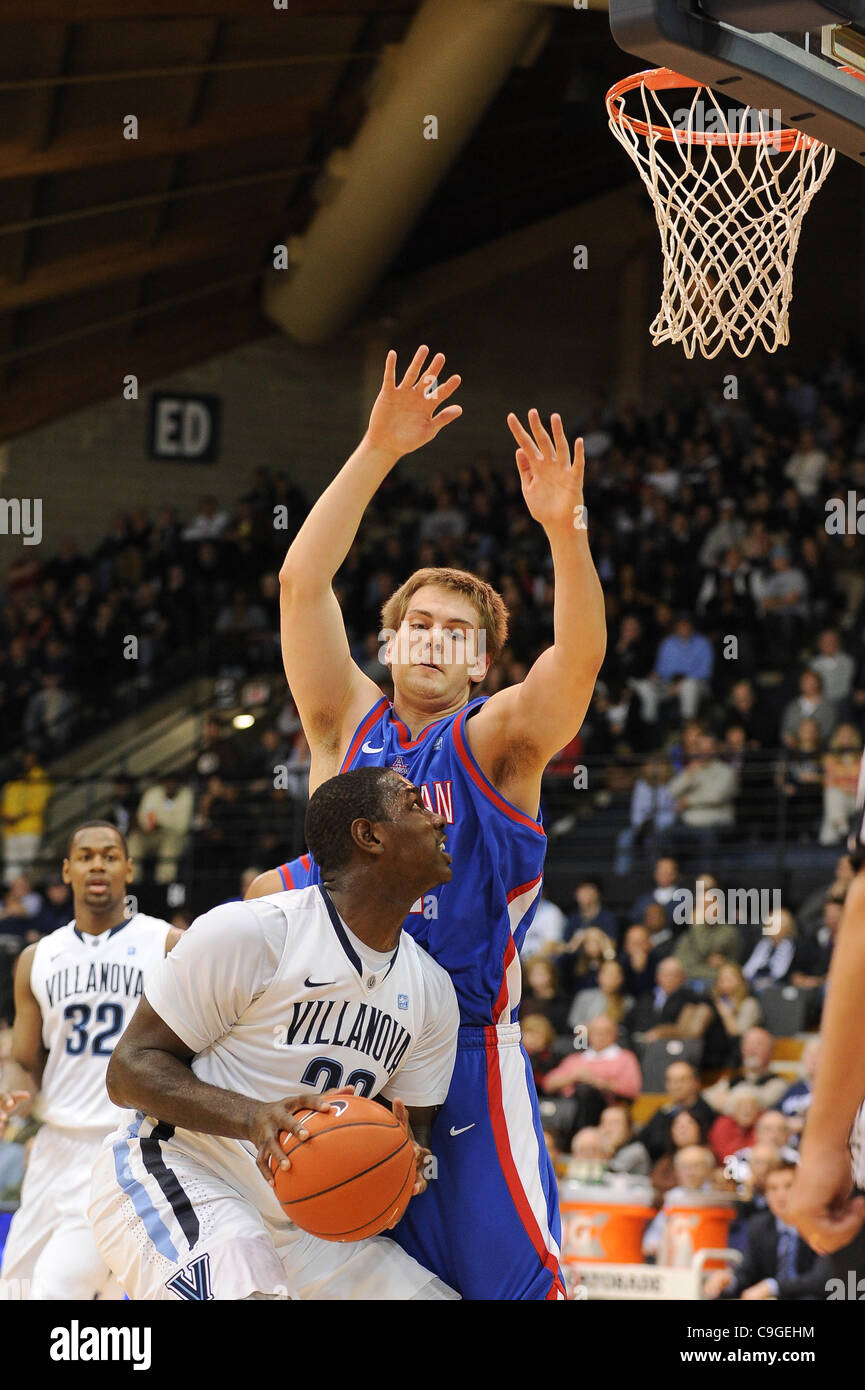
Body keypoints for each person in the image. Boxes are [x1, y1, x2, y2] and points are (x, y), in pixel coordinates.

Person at [270, 345, 606, 1300]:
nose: (432, 635)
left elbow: (575, 664)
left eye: (456, 631)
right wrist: (376, 449)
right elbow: (302, 583)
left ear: (480, 666)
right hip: (336, 1043)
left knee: (511, 1292)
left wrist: (564, 530)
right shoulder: (342, 720)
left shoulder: (496, 742)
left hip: (459, 1051)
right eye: (416, 620)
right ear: (388, 642)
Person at [89, 768, 460, 1301]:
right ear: (370, 835)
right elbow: (128, 1070)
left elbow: (416, 1126)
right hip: (182, 1172)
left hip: (314, 1216)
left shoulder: (432, 991)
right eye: (415, 805)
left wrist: (408, 1159)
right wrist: (253, 1118)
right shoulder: (255, 932)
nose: (439, 817)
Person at [0, 822, 178, 1300]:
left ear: (129, 867)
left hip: (121, 1143)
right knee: (13, 1289)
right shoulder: (37, 958)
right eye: (85, 856)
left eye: (109, 855)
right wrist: (10, 1091)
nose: (97, 864)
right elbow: (24, 1061)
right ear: (67, 870)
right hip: (53, 1145)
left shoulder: (167, 944)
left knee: (58, 1292)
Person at [707, 1162, 831, 1301]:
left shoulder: (820, 1225)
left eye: (788, 1186)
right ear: (766, 1195)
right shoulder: (759, 1225)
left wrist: (773, 1286)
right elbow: (748, 1271)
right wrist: (730, 1280)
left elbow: (821, 1279)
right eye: (773, 1188)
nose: (781, 1195)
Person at [636, 1059, 717, 1163]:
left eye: (682, 1080)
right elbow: (643, 1138)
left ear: (696, 1082)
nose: (676, 1086)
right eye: (671, 1081)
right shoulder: (665, 1111)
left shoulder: (706, 1113)